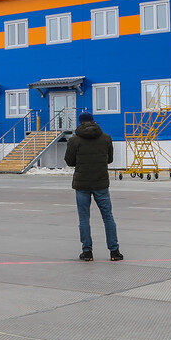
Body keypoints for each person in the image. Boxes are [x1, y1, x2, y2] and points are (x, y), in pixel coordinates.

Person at [64, 112, 122, 262]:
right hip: (101, 183)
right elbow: (109, 159)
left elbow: (69, 162)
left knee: (84, 219)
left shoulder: (74, 140)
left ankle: (87, 252)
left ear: (80, 123)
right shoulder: (106, 138)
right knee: (108, 217)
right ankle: (114, 251)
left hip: (82, 184)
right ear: (93, 121)